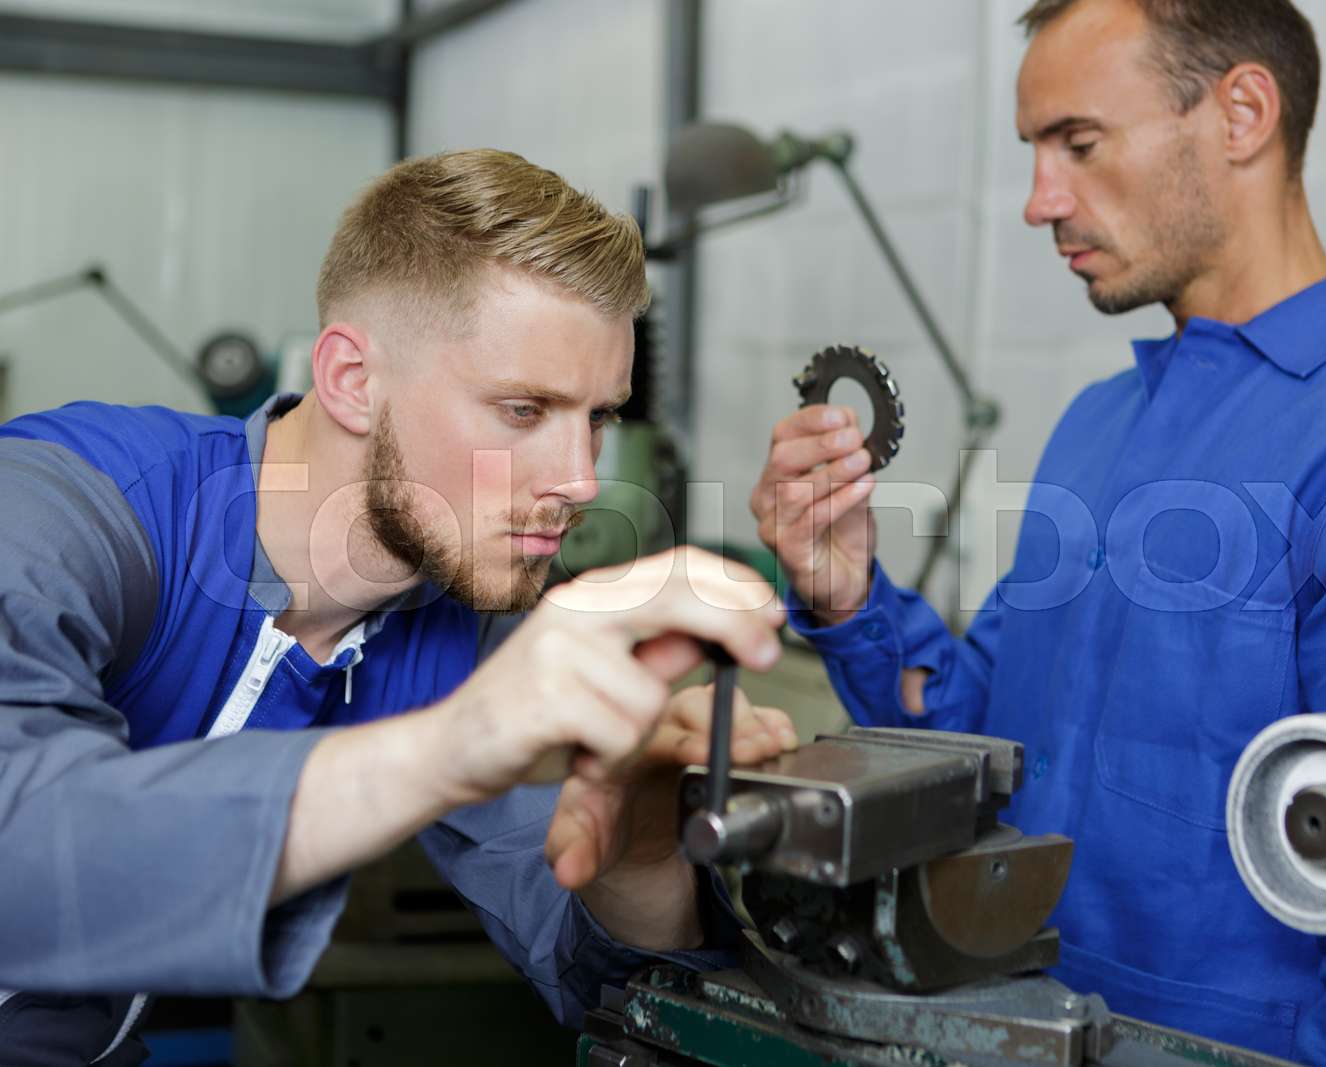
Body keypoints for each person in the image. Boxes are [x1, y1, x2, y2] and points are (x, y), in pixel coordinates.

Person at [751, 1, 1326, 1063]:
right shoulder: (1099, 427)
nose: (1039, 201)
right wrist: (848, 596)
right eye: (1033, 153)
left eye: (1078, 144)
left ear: (1240, 113)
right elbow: (984, 754)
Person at [0, 149, 795, 1065]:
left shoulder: (465, 631)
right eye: (524, 409)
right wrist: (450, 744)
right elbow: (22, 851)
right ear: (351, 380)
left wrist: (644, 848)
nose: (581, 479)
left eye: (600, 416)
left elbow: (602, 984)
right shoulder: (65, 508)